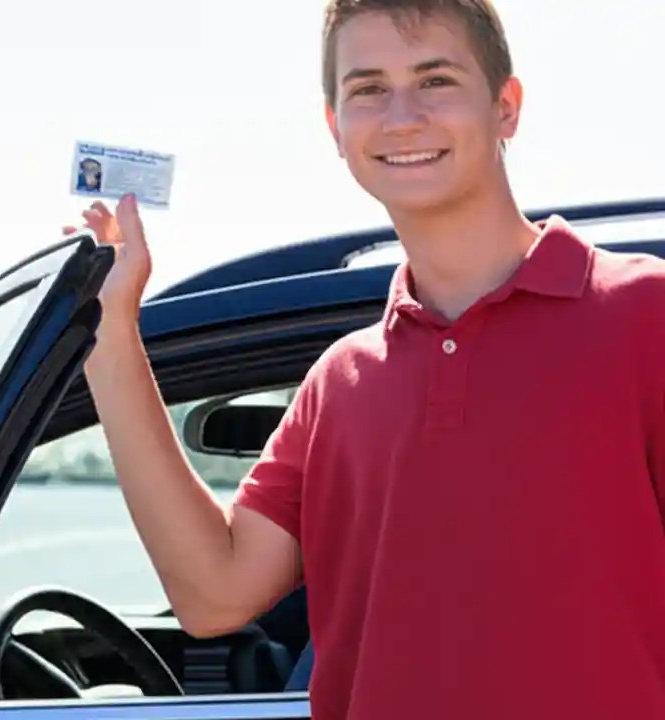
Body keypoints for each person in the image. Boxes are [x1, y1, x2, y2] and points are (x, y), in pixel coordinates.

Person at [63, 1, 665, 718]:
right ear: (335, 128)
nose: (402, 115)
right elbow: (213, 594)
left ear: (507, 106)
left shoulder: (645, 318)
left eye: (436, 79)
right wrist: (112, 337)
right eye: (368, 88)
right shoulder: (337, 384)